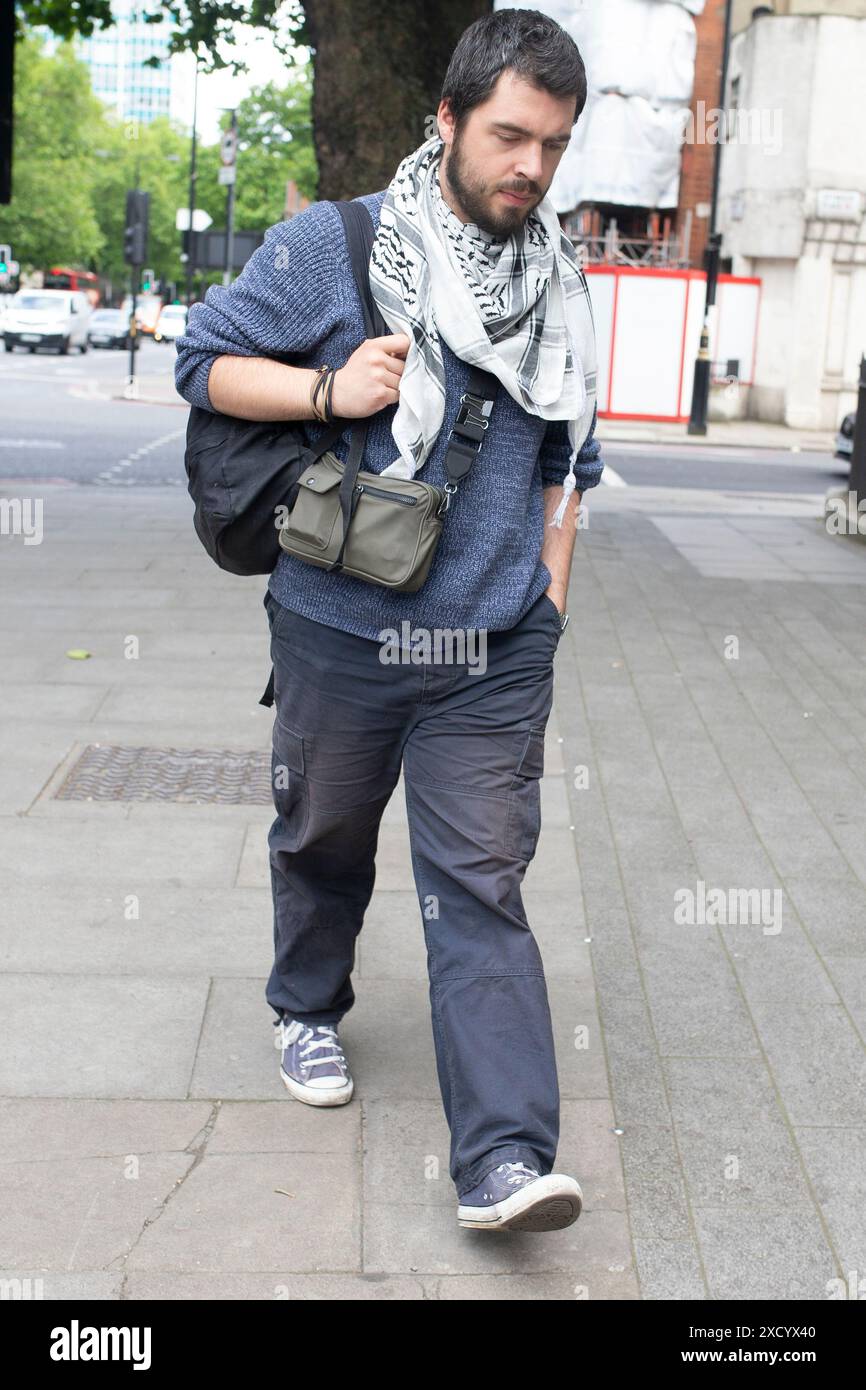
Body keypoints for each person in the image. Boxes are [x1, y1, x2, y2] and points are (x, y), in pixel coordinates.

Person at [175, 6, 603, 1233]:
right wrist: (325, 385)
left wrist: (547, 609)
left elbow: (568, 467)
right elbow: (202, 362)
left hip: (491, 648)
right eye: (511, 136)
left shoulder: (562, 286)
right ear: (449, 121)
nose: (531, 166)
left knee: (478, 883)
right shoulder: (338, 243)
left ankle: (507, 1163)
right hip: (337, 630)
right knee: (322, 839)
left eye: (553, 146)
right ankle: (305, 1004)